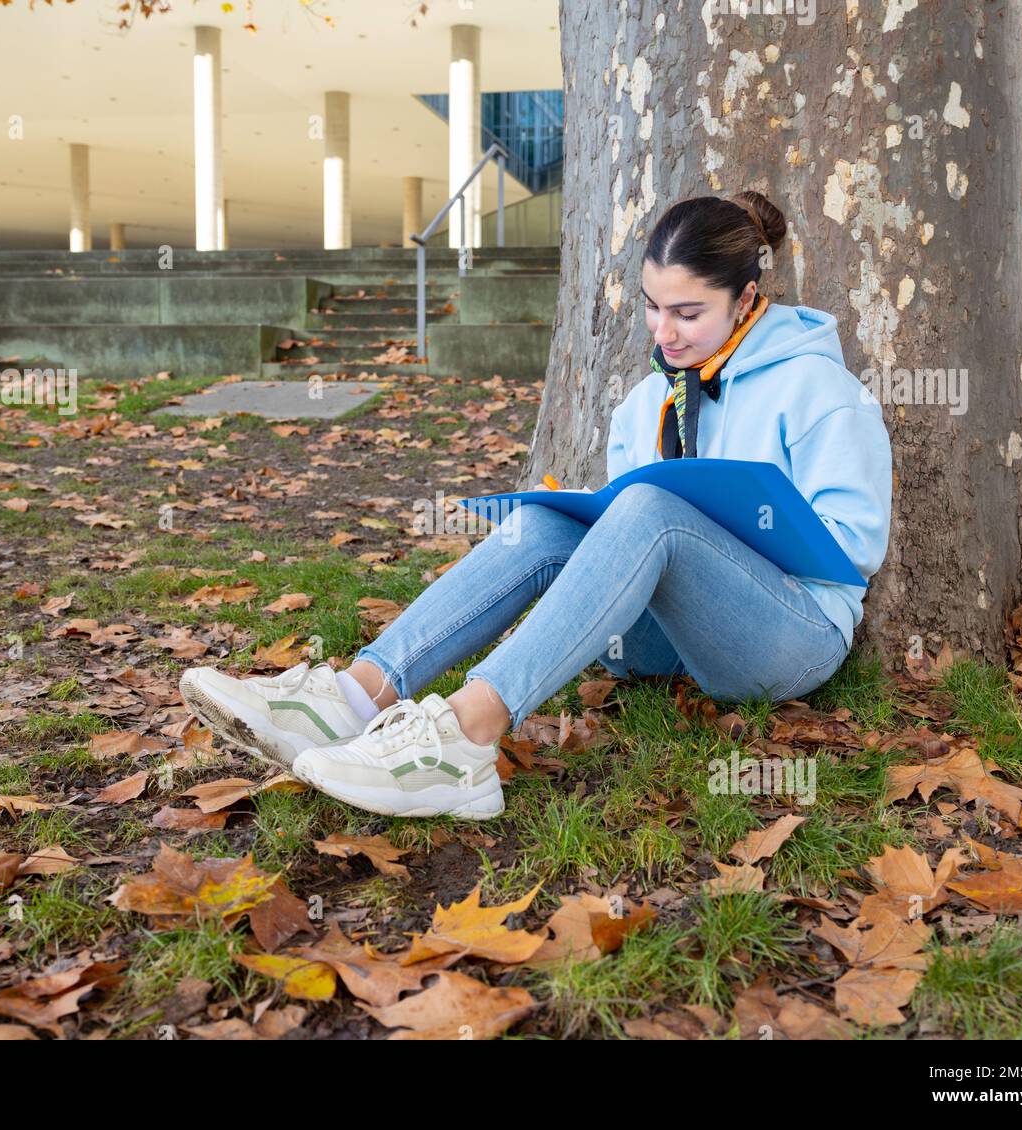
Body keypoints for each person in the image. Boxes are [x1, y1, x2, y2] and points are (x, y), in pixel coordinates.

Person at [179, 190, 893, 821]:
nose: (663, 332)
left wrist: (720, 528)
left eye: (687, 312)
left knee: (650, 509)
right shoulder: (648, 399)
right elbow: (633, 535)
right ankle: (354, 697)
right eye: (651, 307)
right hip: (668, 642)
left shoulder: (819, 389)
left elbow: (853, 546)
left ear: (744, 299)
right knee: (549, 520)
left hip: (790, 632)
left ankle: (464, 742)